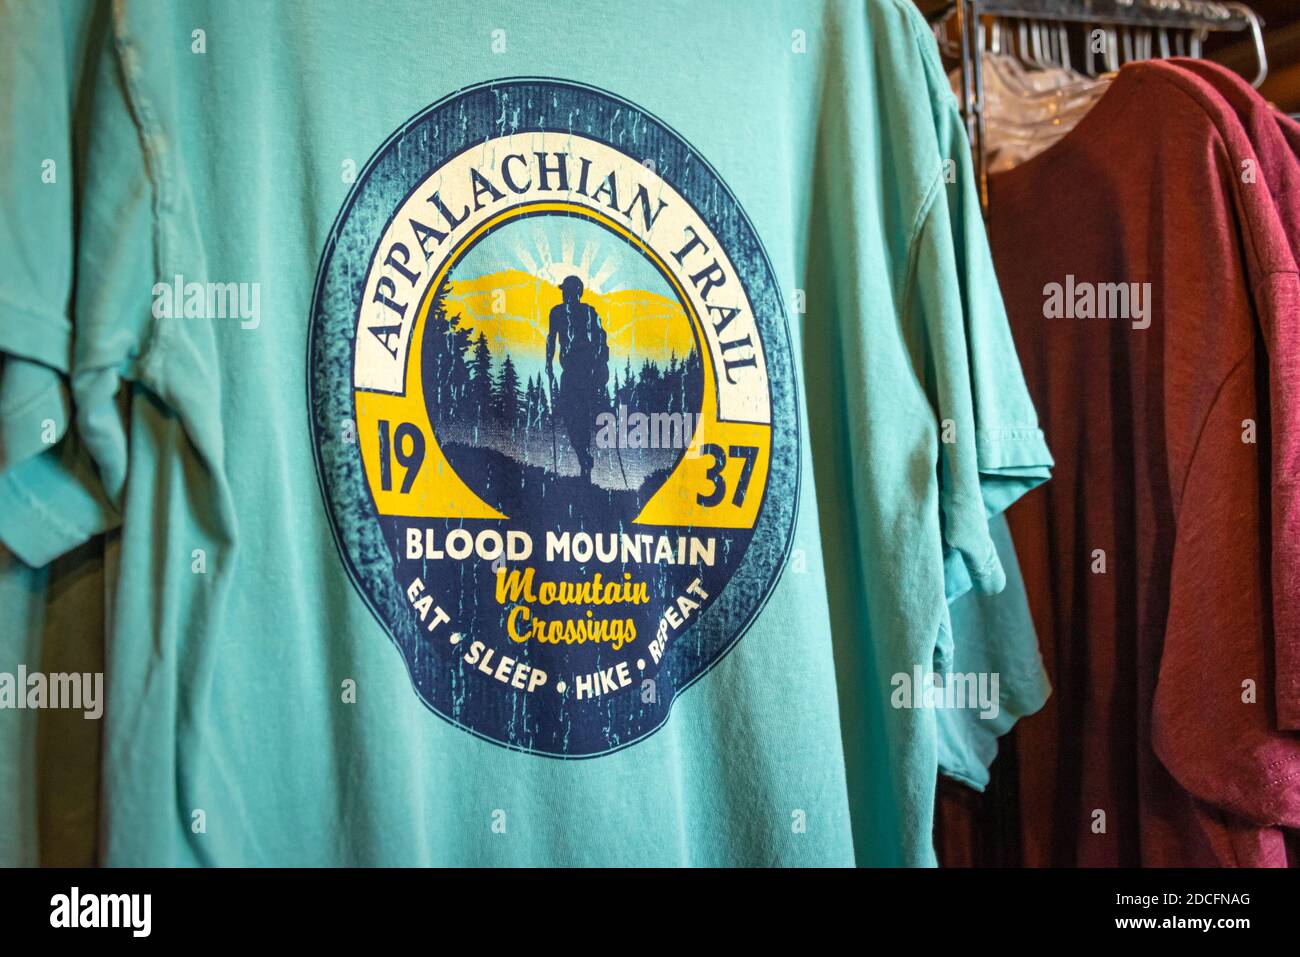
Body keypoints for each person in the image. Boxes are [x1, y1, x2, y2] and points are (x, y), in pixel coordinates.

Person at [546, 275, 609, 482]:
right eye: (564, 291)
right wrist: (548, 363)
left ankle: (585, 463)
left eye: (569, 291)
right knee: (568, 414)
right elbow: (551, 339)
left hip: (586, 372)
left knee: (580, 416)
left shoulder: (589, 312)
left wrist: (598, 367)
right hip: (569, 372)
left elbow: (601, 339)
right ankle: (583, 456)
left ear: (578, 293)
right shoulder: (556, 312)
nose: (566, 295)